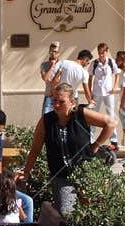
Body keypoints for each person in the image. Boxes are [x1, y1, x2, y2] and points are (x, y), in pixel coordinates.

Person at [21, 84, 115, 216]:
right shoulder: (46, 121)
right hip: (61, 176)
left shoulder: (81, 115)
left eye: (61, 101)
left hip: (85, 172)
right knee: (67, 214)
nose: (57, 105)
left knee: (91, 212)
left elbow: (110, 123)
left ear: (72, 101)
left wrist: (95, 145)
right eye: (54, 101)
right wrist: (26, 172)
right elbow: (35, 149)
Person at [88, 42, 119, 148]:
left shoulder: (111, 62)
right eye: (99, 53)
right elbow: (90, 78)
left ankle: (114, 141)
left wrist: (115, 87)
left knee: (111, 115)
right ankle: (90, 139)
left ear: (106, 52)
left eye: (103, 53)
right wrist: (90, 91)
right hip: (96, 92)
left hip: (108, 93)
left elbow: (117, 74)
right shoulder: (94, 63)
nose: (101, 55)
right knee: (93, 116)